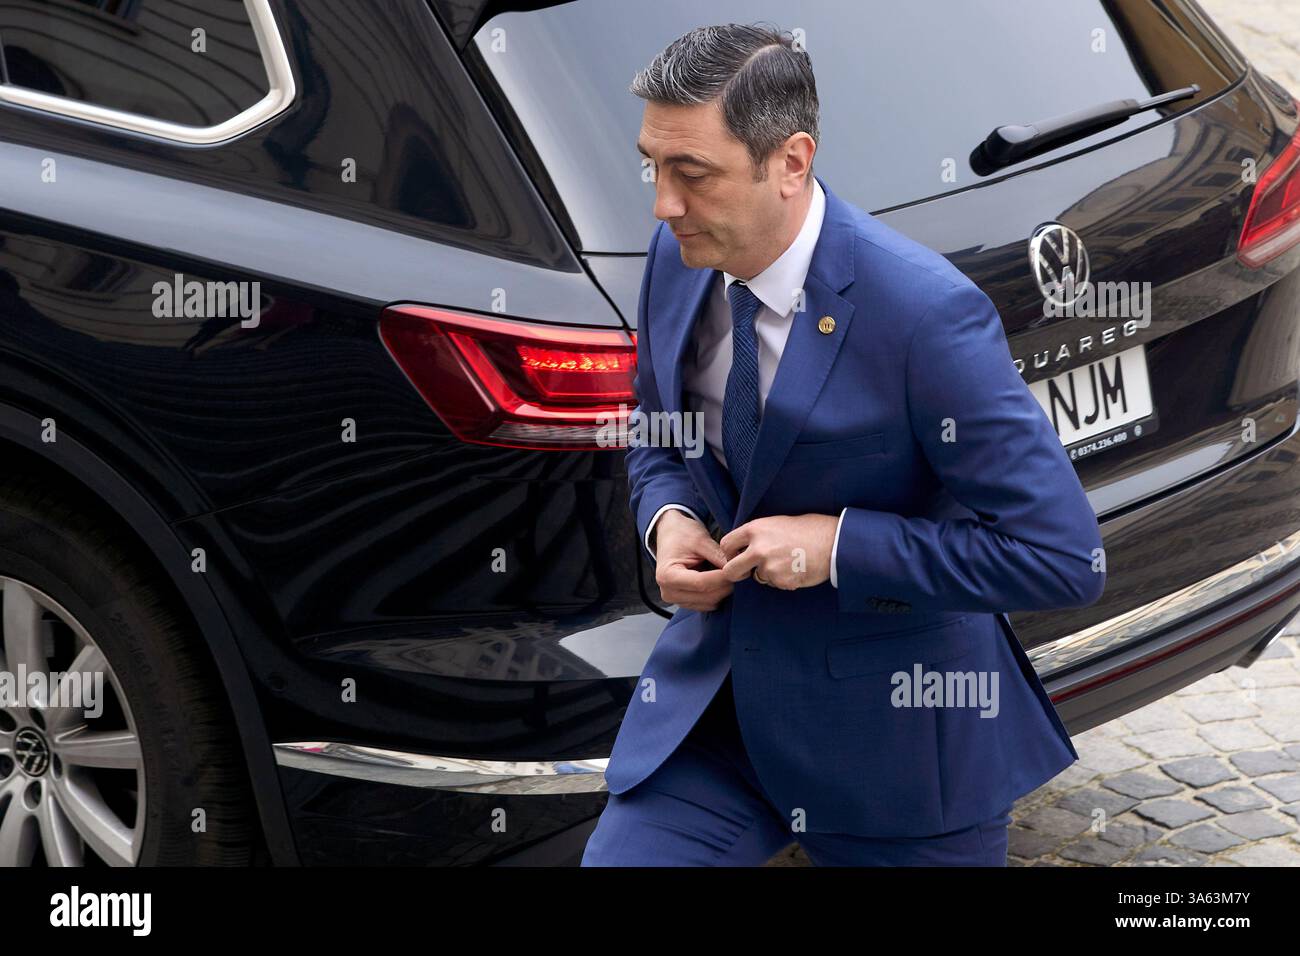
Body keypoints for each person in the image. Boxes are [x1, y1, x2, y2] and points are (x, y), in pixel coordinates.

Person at [581, 22, 1105, 867]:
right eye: (654, 165)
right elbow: (654, 424)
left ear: (791, 162)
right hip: (719, 722)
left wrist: (840, 547)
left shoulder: (925, 316)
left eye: (693, 173)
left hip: (900, 751)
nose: (662, 203)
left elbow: (1063, 558)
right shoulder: (678, 254)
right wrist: (669, 516)